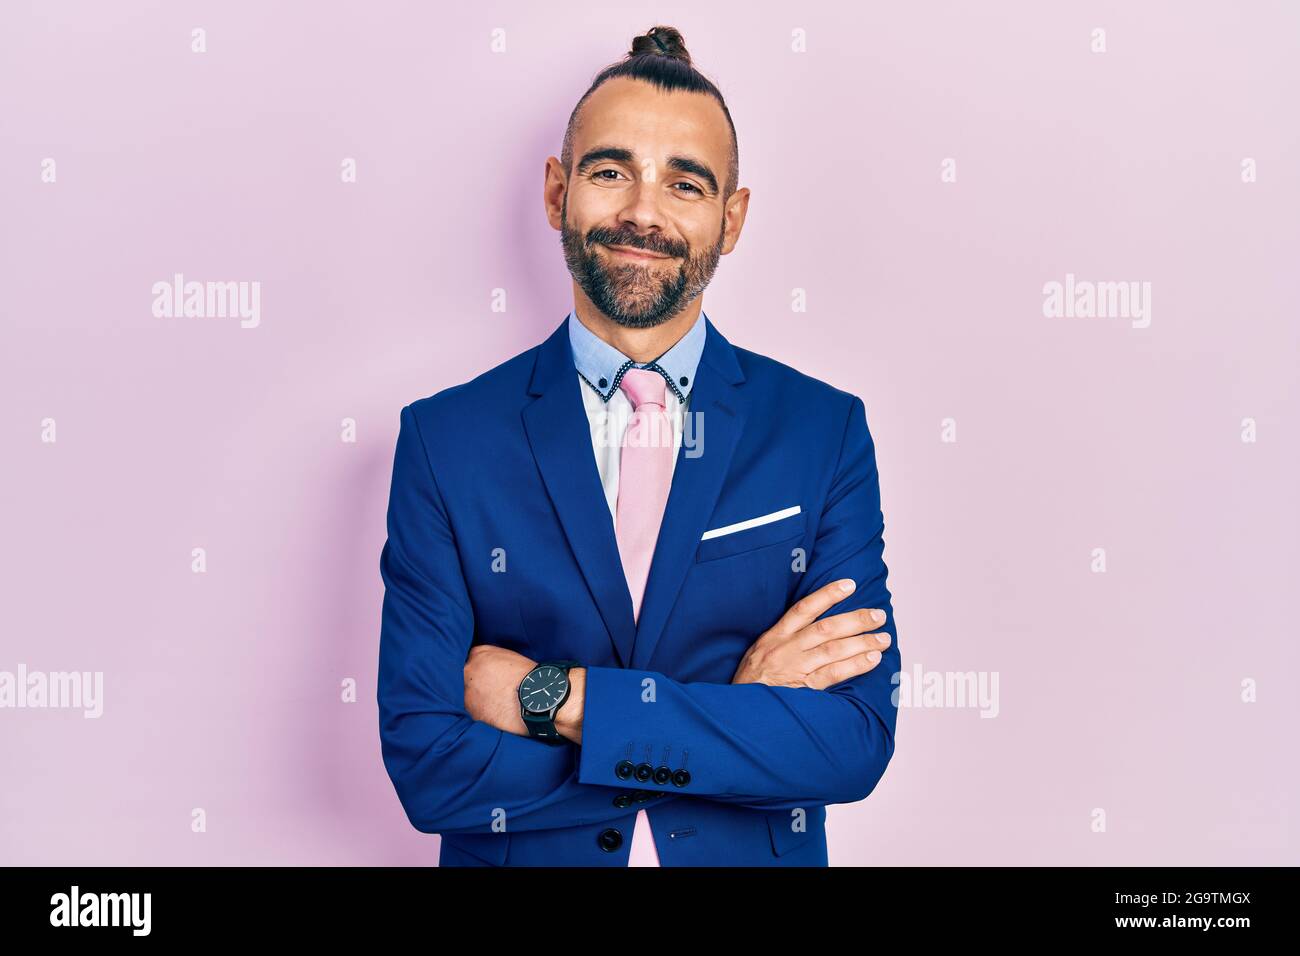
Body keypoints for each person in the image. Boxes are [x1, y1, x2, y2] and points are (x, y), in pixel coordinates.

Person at [377, 25, 899, 867]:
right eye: (610, 171)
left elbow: (851, 741)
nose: (642, 212)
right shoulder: (444, 440)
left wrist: (557, 699)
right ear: (557, 193)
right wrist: (732, 718)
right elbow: (428, 765)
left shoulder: (822, 431)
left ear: (732, 220)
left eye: (685, 184)